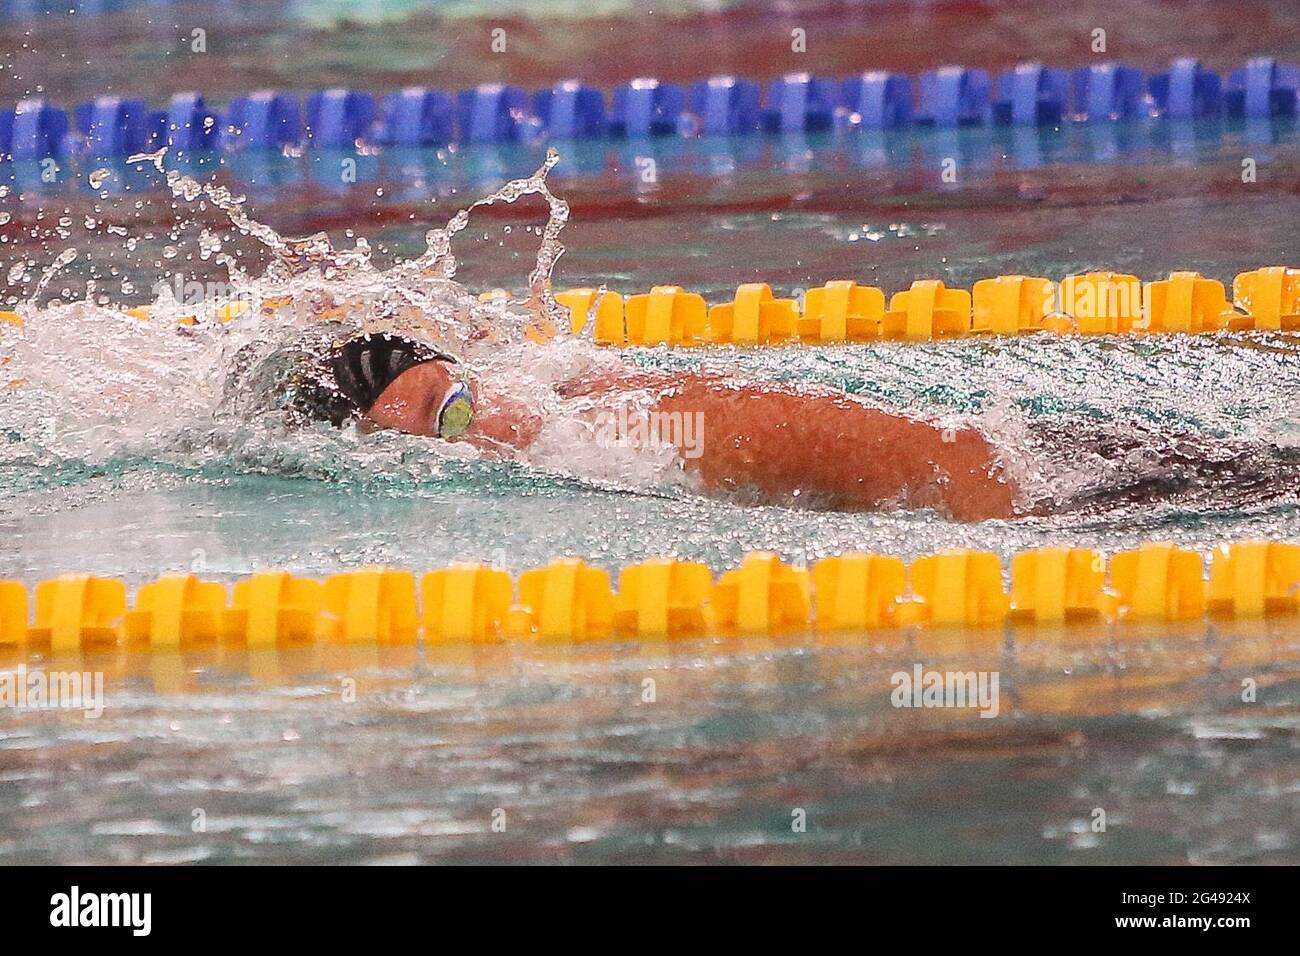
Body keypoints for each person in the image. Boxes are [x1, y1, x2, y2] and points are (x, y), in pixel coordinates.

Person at [230, 324, 1018, 521]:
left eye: (456, 404)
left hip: (1061, 495)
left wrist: (1033, 524)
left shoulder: (636, 426)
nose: (478, 437)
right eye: (440, 442)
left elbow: (957, 456)